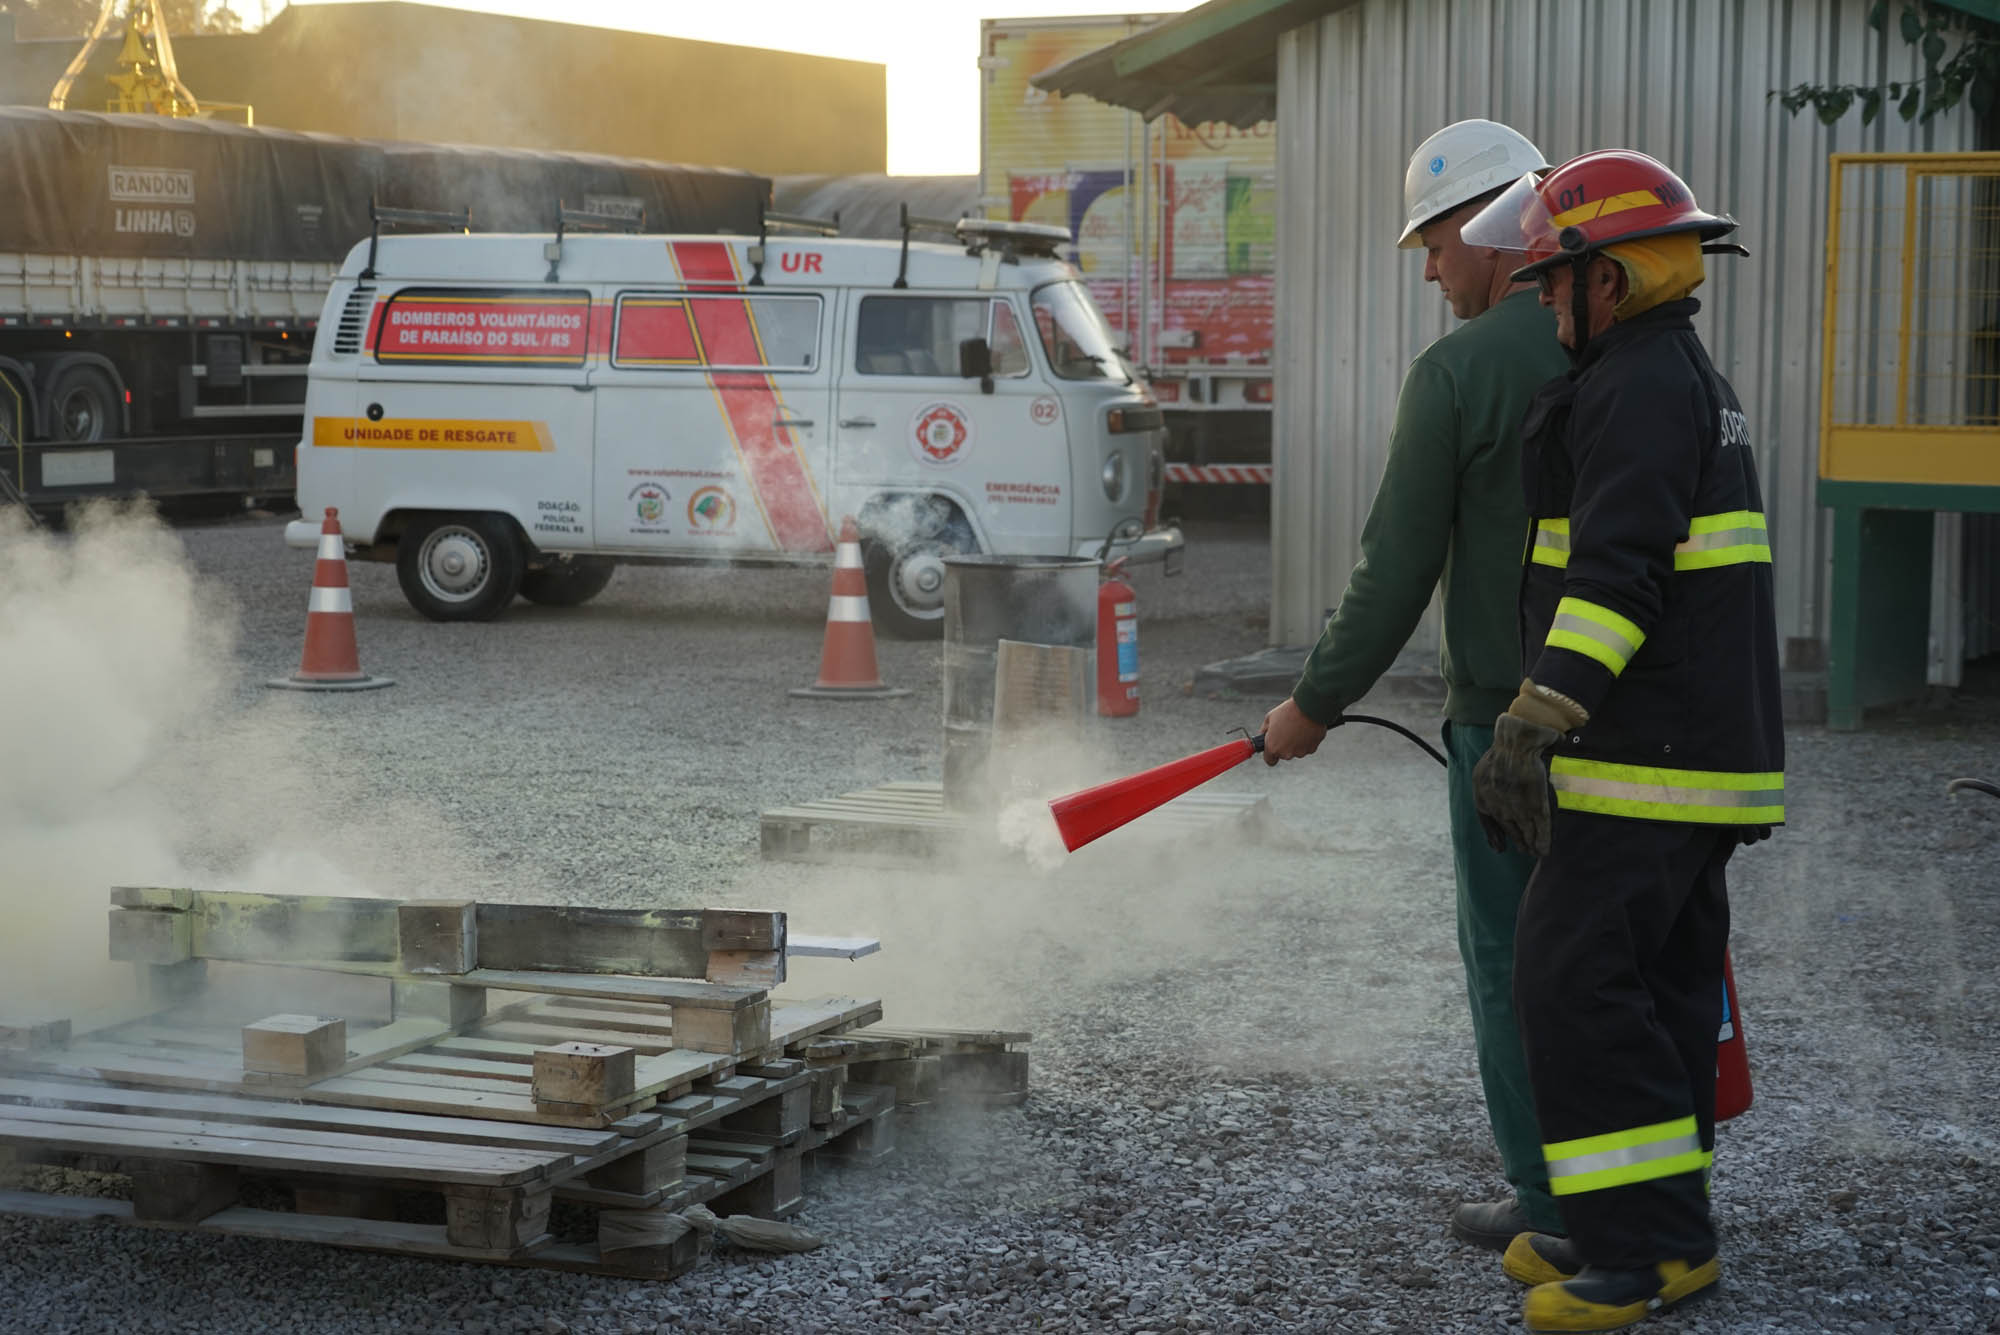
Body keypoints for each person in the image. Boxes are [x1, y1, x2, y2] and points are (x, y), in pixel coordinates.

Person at [1460, 150, 1784, 1332]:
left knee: (1570, 982)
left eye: (1553, 284)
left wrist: (1532, 721)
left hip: (1644, 762)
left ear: (1608, 279)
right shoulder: (1670, 370)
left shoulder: (1639, 385)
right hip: (1690, 758)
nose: (1543, 305)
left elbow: (1615, 580)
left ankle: (1635, 1258)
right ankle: (1654, 1236)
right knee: (1650, 990)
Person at [1258, 118, 1570, 1250]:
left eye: (1433, 244)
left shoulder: (1457, 371)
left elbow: (1393, 567)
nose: (1430, 269)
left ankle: (1548, 1200)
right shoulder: (1634, 347)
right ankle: (1650, 1198)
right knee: (1625, 959)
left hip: (1505, 729)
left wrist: (1312, 705)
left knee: (1513, 965)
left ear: (1488, 232)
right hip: (1637, 717)